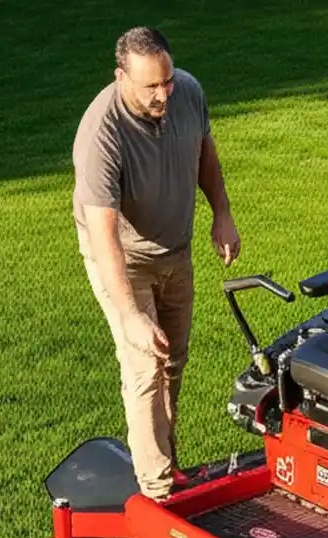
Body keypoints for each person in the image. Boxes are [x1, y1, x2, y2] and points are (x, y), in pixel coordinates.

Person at [72, 26, 241, 501]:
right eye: (150, 87)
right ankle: (159, 492)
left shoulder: (187, 92)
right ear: (120, 76)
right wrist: (129, 315)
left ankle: (168, 464)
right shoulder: (101, 132)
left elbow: (205, 153)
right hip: (123, 259)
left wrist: (222, 215)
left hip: (176, 248)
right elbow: (103, 234)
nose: (163, 94)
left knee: (174, 362)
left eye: (166, 81)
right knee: (145, 363)